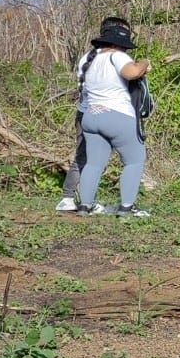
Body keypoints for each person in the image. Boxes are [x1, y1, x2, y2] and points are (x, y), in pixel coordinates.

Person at [74, 21, 152, 217]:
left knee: (94, 163)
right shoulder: (118, 56)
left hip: (91, 116)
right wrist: (144, 63)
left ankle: (85, 206)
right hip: (117, 115)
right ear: (119, 43)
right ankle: (126, 207)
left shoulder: (87, 58)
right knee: (134, 161)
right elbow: (132, 72)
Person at [56, 16, 131, 213]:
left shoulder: (88, 57)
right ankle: (79, 199)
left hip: (84, 112)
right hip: (101, 113)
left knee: (84, 157)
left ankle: (70, 197)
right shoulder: (110, 58)